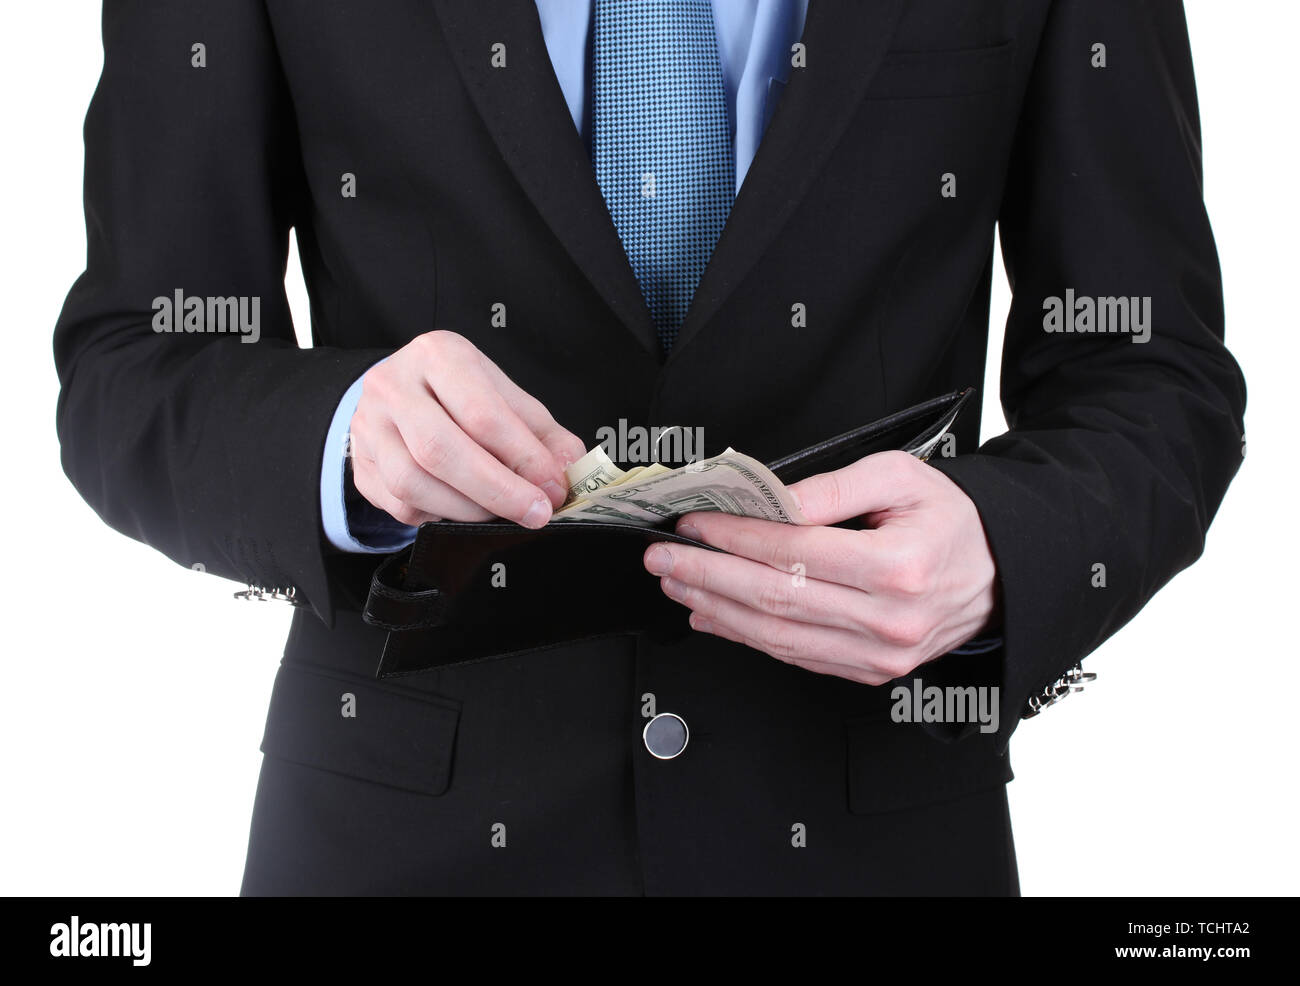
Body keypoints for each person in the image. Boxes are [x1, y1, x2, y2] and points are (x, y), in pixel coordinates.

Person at [54, 0, 1245, 895]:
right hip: (401, 840)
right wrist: (342, 432)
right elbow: (134, 362)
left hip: (873, 834)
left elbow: (1153, 371)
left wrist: (1003, 549)